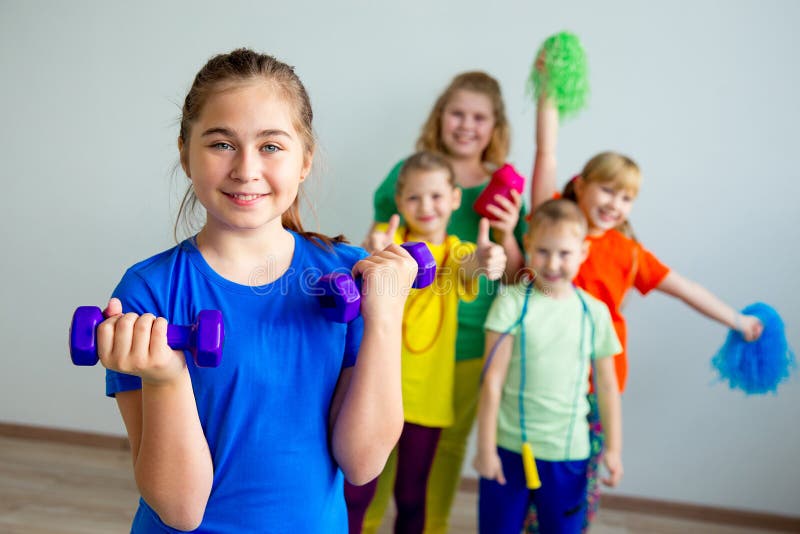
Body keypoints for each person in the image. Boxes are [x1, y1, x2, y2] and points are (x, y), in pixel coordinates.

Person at [95, 48, 417, 532]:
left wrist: (386, 319)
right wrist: (166, 378)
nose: (246, 169)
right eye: (222, 143)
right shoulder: (148, 294)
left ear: (305, 159)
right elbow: (181, 510)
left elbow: (363, 462)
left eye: (271, 146)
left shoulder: (352, 281)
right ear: (186, 153)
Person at [527, 88, 764, 531]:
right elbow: (547, 152)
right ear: (580, 184)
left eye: (626, 197)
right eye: (608, 189)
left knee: (579, 479)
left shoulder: (629, 252)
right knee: (532, 471)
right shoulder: (552, 222)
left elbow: (684, 288)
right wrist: (548, 93)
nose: (615, 203)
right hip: (541, 370)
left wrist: (737, 319)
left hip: (597, 381)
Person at [364, 71, 527, 534]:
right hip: (401, 338)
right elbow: (379, 246)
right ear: (441, 116)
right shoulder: (407, 172)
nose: (467, 125)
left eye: (480, 117)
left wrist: (505, 238)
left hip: (474, 339)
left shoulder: (505, 186)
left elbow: (518, 275)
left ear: (495, 125)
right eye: (458, 113)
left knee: (443, 450)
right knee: (379, 448)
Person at [346, 151, 507, 533]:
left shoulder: (457, 253)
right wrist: (374, 251)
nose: (426, 206)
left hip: (427, 401)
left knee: (412, 495)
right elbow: (366, 269)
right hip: (375, 394)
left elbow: (472, 266)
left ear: (454, 198)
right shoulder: (388, 247)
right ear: (399, 202)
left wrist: (487, 261)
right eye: (414, 198)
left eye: (436, 196)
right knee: (357, 494)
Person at [474, 199, 623, 534]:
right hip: (509, 449)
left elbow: (607, 386)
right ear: (527, 245)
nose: (553, 263)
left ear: (583, 252)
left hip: (568, 454)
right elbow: (491, 381)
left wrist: (613, 448)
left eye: (564, 254)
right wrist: (485, 449)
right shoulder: (511, 302)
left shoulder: (594, 312)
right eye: (542, 251)